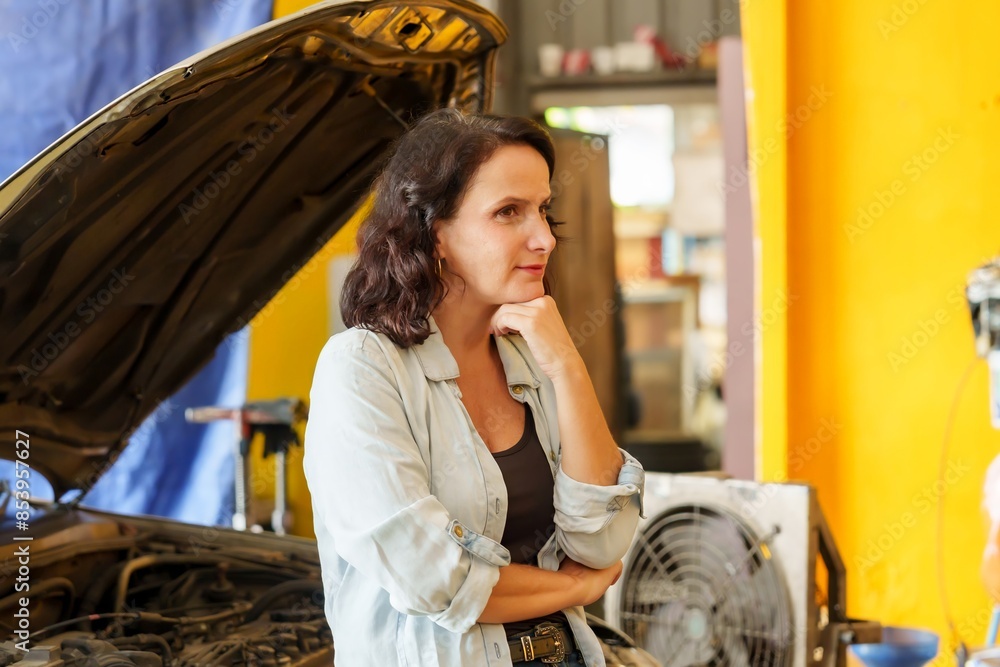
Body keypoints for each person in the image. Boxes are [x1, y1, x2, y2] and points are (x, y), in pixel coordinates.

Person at [303, 109, 646, 666]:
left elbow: (602, 542)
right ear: (434, 232)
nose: (543, 239)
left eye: (543, 210)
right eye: (508, 212)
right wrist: (577, 589)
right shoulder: (362, 369)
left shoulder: (532, 357)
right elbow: (434, 580)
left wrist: (567, 365)